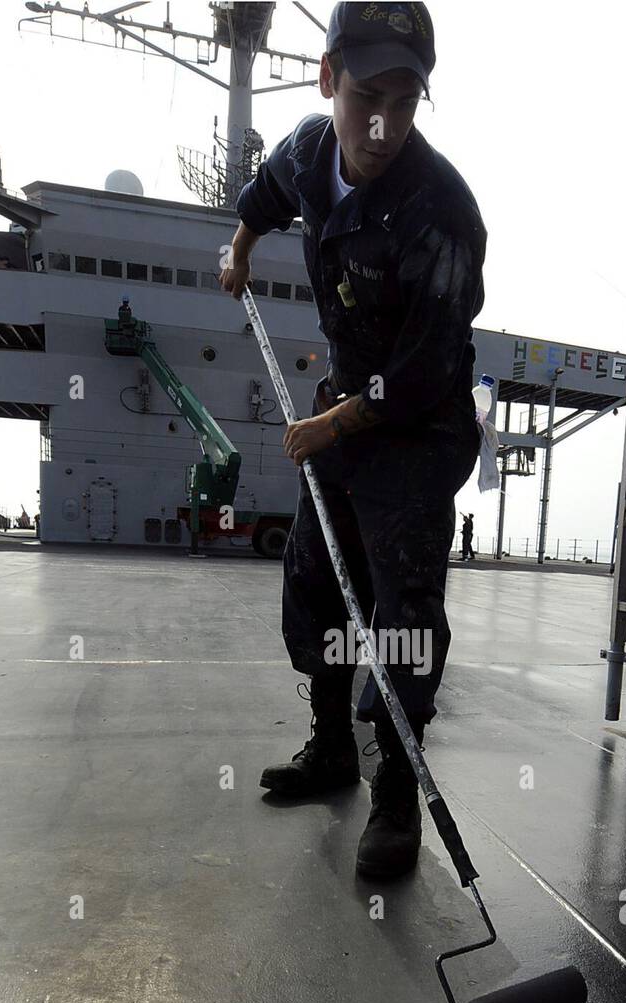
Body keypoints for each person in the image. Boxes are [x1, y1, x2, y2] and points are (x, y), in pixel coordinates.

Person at [220, 1, 486, 879]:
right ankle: (331, 745)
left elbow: (417, 373)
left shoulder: (440, 211)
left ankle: (397, 797)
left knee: (401, 608)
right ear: (328, 79)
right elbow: (264, 195)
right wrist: (241, 246)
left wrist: (328, 423)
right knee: (315, 576)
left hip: (417, 425)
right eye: (367, 95)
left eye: (405, 104)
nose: (382, 125)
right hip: (342, 409)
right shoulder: (305, 148)